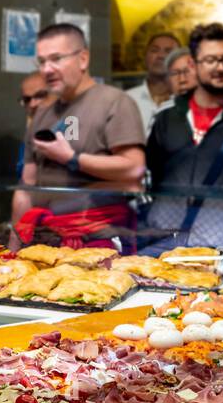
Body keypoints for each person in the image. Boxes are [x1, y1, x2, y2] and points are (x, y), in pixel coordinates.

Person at [12, 23, 145, 250]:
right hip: (44, 239)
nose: (47, 69)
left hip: (97, 240)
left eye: (56, 59)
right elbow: (27, 186)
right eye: (42, 62)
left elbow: (134, 168)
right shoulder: (43, 112)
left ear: (83, 59)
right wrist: (14, 246)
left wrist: (72, 158)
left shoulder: (115, 102)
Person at [142, 22, 223, 255]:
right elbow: (152, 171)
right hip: (162, 244)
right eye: (210, 60)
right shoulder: (168, 116)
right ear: (193, 64)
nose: (221, 67)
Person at [124, 32, 181, 134]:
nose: (161, 56)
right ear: (145, 57)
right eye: (154, 50)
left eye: (168, 51)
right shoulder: (126, 99)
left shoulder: (186, 101)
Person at [14, 71, 51, 180]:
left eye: (40, 96)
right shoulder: (29, 136)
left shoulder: (71, 128)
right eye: (27, 99)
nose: (32, 104)